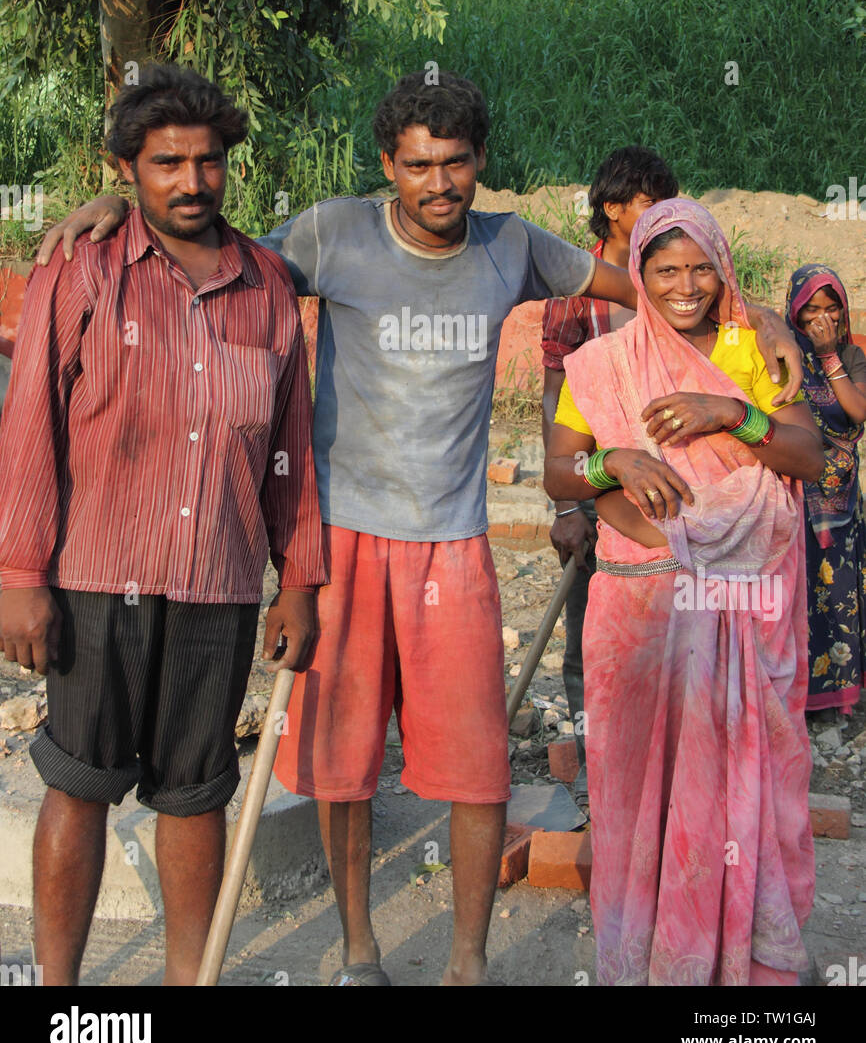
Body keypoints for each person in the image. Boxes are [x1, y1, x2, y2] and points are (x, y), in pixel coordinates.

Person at [37, 73, 802, 988]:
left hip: (454, 543)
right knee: (346, 767)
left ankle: (467, 964)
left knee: (477, 770)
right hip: (345, 542)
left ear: (481, 162)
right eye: (418, 166)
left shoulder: (512, 246)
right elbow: (207, 248)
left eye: (456, 163)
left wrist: (759, 320)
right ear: (388, 167)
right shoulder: (333, 233)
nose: (439, 184)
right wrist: (118, 207)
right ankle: (360, 948)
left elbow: (643, 283)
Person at [0, 65, 326, 986]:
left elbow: (290, 445)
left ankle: (191, 981)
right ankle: (60, 991)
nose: (191, 181)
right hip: (98, 577)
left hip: (217, 587)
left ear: (229, 166)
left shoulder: (266, 286)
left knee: (197, 793)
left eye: (209, 162)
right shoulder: (82, 267)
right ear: (127, 168)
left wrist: (298, 579)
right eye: (166, 163)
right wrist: (19, 574)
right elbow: (29, 425)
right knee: (78, 782)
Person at [545, 198, 823, 986]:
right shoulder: (606, 363)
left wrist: (728, 413)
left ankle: (734, 966)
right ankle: (651, 960)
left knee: (738, 786)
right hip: (639, 604)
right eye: (665, 269)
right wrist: (616, 465)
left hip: (743, 605)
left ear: (724, 266)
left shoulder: (753, 350)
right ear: (639, 274)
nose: (686, 285)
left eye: (702, 266)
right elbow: (560, 471)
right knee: (639, 789)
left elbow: (806, 457)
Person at [541, 147, 679, 730]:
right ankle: (593, 750)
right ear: (612, 209)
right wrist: (569, 502)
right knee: (591, 623)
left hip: (670, 481)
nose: (661, 214)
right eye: (650, 203)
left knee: (670, 623)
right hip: (596, 477)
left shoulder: (671, 278)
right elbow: (553, 393)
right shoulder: (578, 286)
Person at [785, 265, 866, 718]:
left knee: (837, 595)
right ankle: (797, 693)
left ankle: (837, 694)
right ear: (795, 315)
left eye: (831, 308)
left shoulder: (851, 355)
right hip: (797, 500)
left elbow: (857, 413)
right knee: (798, 590)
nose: (822, 318)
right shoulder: (785, 356)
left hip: (841, 507)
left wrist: (830, 355)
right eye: (811, 310)